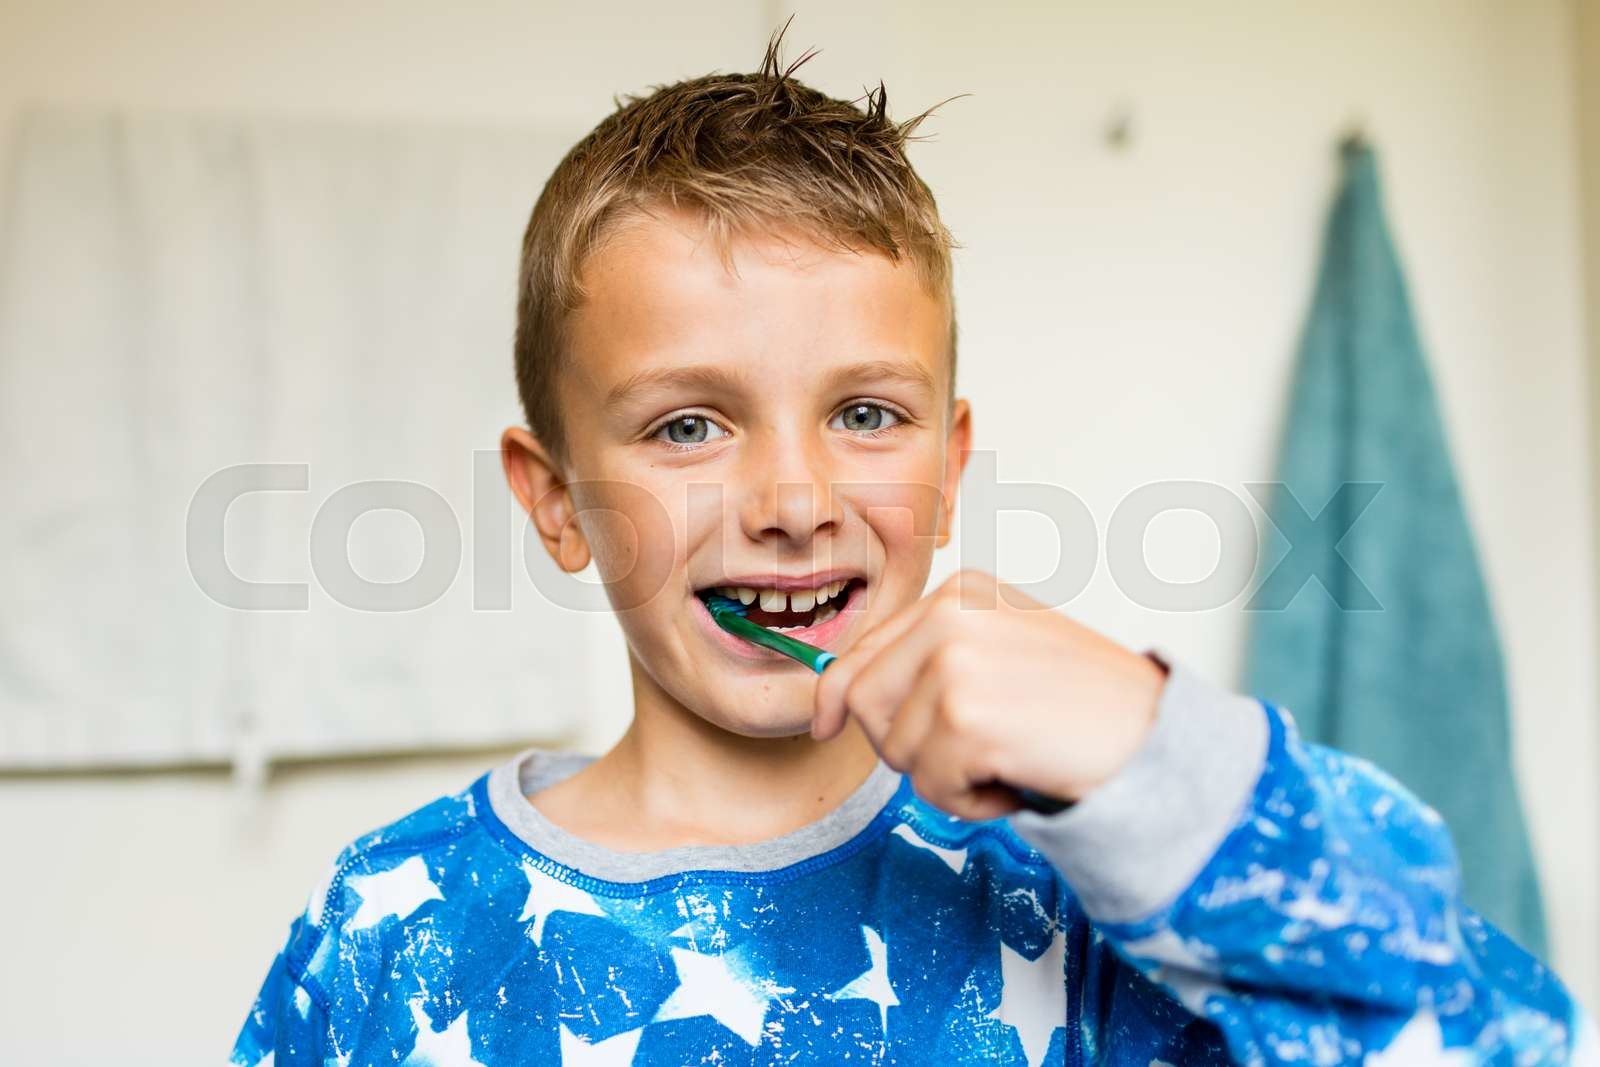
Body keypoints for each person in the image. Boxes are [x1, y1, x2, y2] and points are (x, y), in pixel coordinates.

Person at [230, 32, 1593, 1066]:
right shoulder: (387, 925)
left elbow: (1496, 1035)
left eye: (866, 414)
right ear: (558, 502)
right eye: (690, 424)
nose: (793, 496)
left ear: (947, 466)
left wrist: (1154, 756)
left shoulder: (1085, 896)